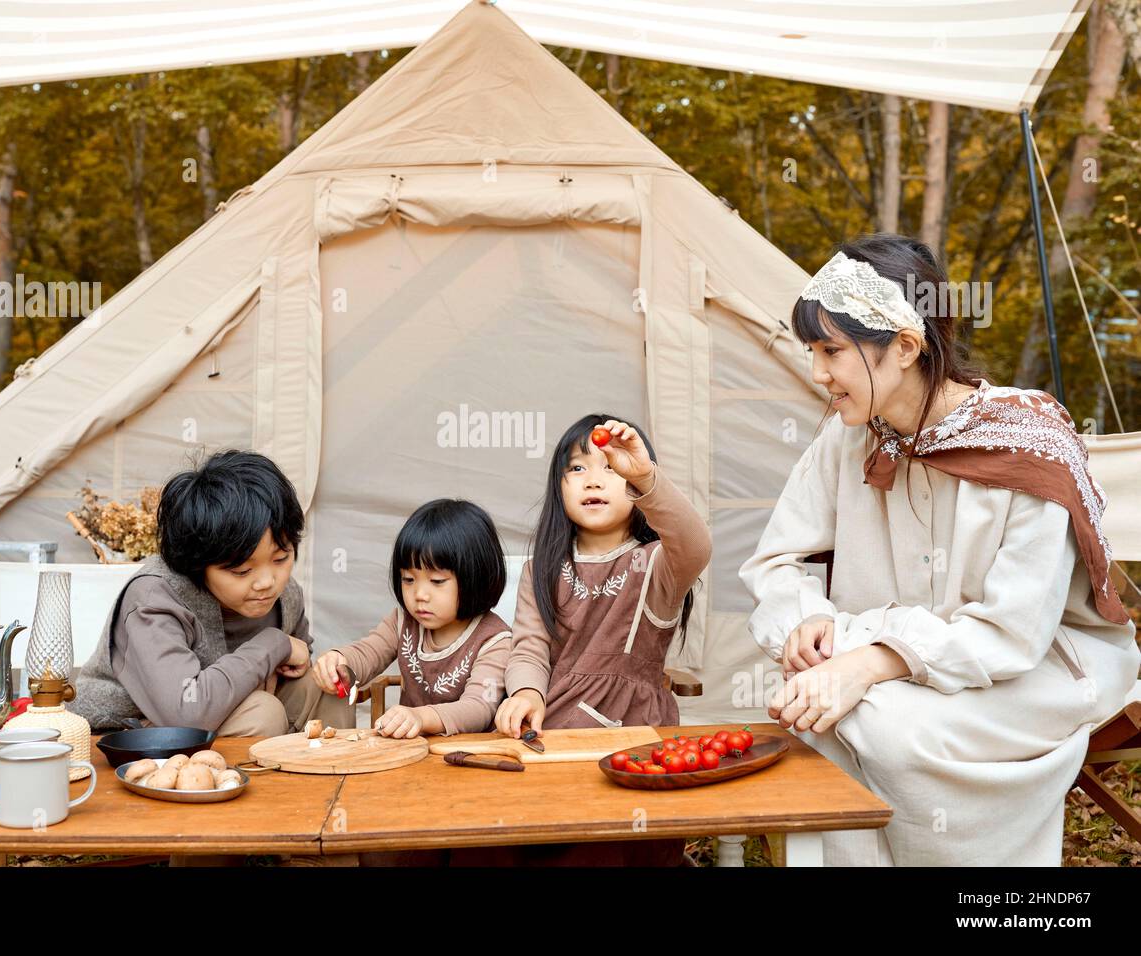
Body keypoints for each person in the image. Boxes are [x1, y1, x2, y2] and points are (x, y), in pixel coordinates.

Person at [740, 234, 1140, 865]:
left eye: (831, 351)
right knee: (824, 714)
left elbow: (1012, 632)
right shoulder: (850, 438)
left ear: (904, 345)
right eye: (812, 351)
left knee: (883, 728)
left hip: (1039, 669)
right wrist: (806, 620)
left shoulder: (1026, 441)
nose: (817, 373)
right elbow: (777, 560)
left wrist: (869, 659)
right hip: (888, 664)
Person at [473, 415, 711, 867]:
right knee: (490, 833)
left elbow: (696, 545)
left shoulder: (656, 564)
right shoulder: (542, 568)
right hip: (551, 725)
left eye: (611, 468)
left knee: (599, 842)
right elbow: (529, 646)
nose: (594, 480)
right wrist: (525, 690)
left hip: (630, 731)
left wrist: (645, 476)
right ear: (558, 487)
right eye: (578, 469)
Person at [73, 450, 351, 737]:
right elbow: (187, 711)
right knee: (261, 714)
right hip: (128, 732)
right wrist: (273, 643)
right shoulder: (154, 598)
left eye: (281, 558)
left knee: (326, 688)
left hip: (227, 713)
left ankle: (334, 776)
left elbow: (296, 663)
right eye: (242, 571)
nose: (267, 581)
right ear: (198, 564)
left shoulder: (285, 595)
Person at [312, 499, 511, 737]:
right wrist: (340, 662)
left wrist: (420, 717)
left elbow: (478, 708)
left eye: (437, 581)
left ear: (475, 577)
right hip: (410, 752)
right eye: (408, 579)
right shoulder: (402, 622)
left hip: (469, 758)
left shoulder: (495, 640)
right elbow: (367, 654)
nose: (420, 595)